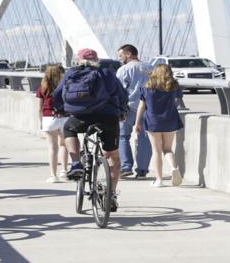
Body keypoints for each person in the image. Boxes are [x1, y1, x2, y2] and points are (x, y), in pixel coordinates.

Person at [53, 47, 127, 212]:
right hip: (107, 117)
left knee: (68, 128)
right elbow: (122, 94)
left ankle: (76, 163)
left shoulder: (71, 73)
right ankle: (111, 194)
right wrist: (122, 111)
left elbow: (57, 94)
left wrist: (59, 109)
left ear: (78, 60)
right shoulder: (107, 73)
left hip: (80, 117)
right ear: (97, 60)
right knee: (113, 156)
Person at [137, 63, 183, 187]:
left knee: (156, 151)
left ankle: (159, 180)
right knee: (168, 149)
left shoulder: (147, 86)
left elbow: (141, 106)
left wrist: (137, 123)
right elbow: (179, 100)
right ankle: (174, 168)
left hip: (153, 121)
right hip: (170, 119)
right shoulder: (173, 85)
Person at [114, 44, 153, 179]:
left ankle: (126, 167)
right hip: (147, 108)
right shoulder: (150, 68)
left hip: (128, 108)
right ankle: (142, 170)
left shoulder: (123, 70)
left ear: (129, 54)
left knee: (123, 137)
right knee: (144, 139)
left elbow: (118, 91)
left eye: (121, 56)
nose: (119, 59)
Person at [36, 63, 68, 182]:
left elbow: (39, 108)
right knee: (64, 145)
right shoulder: (66, 86)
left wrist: (41, 122)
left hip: (49, 118)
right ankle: (64, 171)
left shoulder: (43, 89)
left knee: (52, 148)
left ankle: (53, 175)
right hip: (65, 117)